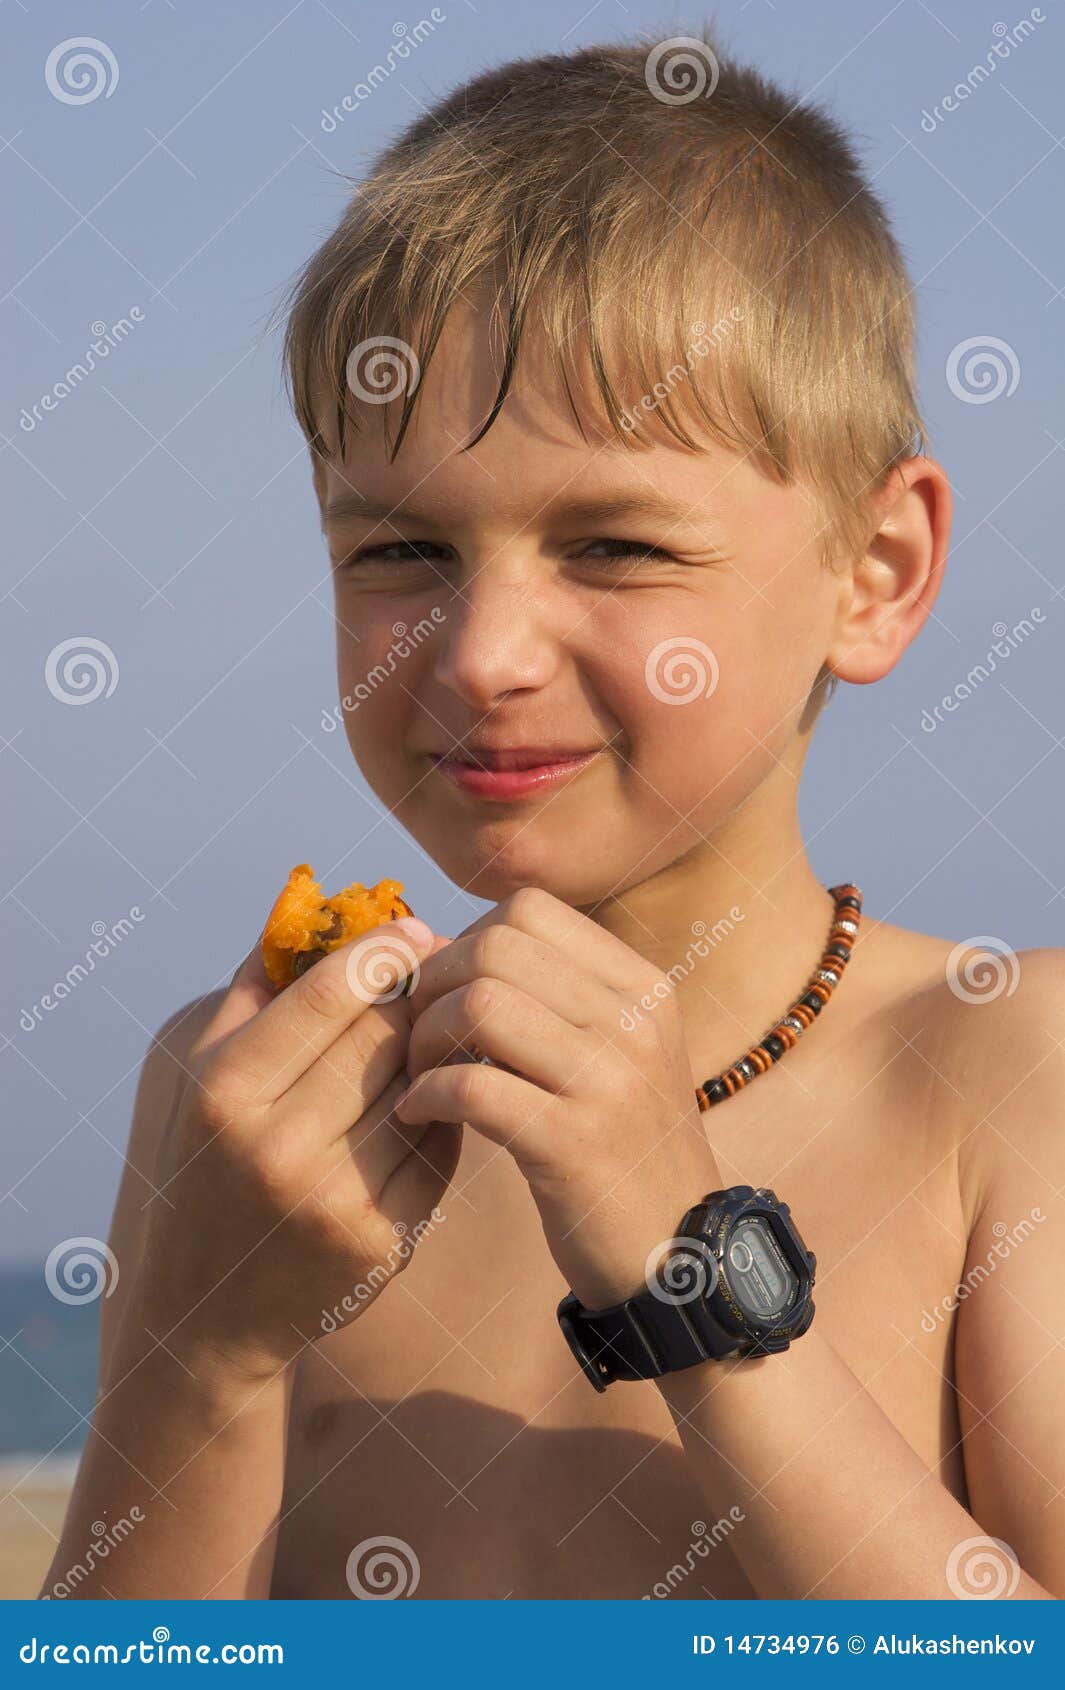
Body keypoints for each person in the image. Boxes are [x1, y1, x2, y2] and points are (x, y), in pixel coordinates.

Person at [44, 31, 1065, 1601]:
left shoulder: (1004, 1072)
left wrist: (691, 1268)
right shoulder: (248, 1104)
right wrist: (206, 1351)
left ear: (875, 575)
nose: (481, 653)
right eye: (398, 551)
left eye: (612, 546)